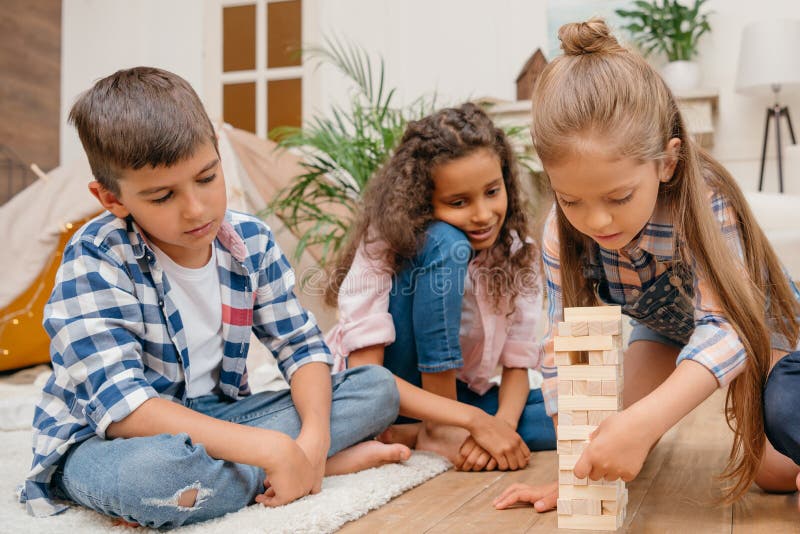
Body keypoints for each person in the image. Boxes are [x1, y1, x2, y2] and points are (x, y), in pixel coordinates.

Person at [19, 67, 409, 529]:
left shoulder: (250, 240)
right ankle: (280, 468)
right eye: (162, 196)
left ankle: (301, 465)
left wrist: (313, 441)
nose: (197, 208)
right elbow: (124, 409)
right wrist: (269, 448)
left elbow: (302, 349)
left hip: (220, 416)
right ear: (111, 199)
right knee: (157, 479)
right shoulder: (94, 260)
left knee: (375, 388)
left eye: (207, 177)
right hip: (110, 439)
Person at [494, 19, 800, 512]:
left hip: (756, 327)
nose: (596, 221)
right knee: (614, 436)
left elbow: (729, 329)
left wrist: (647, 420)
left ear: (667, 161)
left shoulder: (707, 200)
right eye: (570, 199)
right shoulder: (560, 229)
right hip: (664, 330)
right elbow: (560, 355)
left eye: (619, 197)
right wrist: (577, 469)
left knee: (777, 472)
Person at [325, 103, 556, 472]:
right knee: (446, 242)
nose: (482, 214)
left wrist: (500, 430)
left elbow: (517, 366)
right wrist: (462, 422)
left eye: (492, 191)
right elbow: (367, 379)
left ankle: (419, 433)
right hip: (380, 393)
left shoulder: (517, 254)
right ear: (422, 202)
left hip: (459, 397)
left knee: (572, 418)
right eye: (458, 202)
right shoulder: (384, 243)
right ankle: (437, 428)